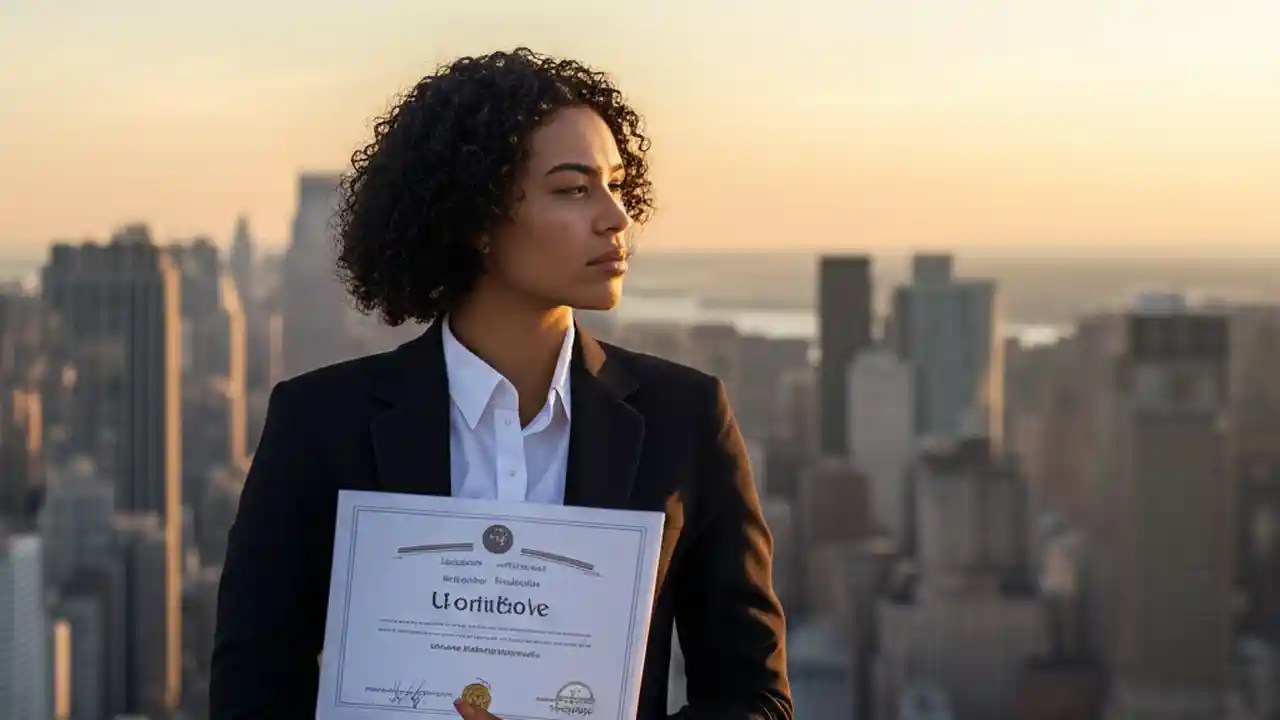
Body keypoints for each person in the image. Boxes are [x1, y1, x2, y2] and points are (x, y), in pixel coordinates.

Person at [210, 47, 791, 720]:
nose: (616, 218)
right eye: (573, 189)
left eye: (616, 185)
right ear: (478, 217)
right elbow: (251, 691)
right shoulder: (319, 423)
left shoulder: (684, 417)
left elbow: (756, 696)